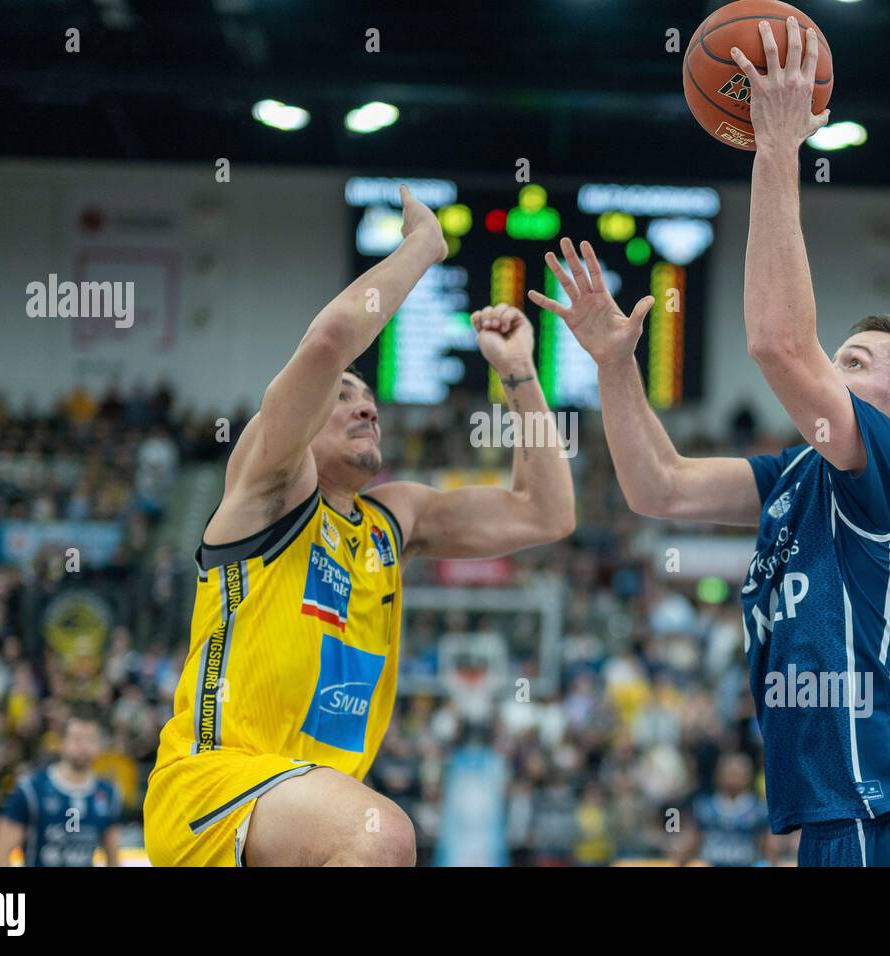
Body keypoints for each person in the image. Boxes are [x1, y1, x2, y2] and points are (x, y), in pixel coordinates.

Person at [528, 17, 890, 866]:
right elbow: (658, 489)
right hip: (836, 824)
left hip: (889, 819)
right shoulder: (798, 473)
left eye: (854, 360)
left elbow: (776, 341)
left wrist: (777, 146)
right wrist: (616, 366)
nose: (830, 371)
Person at [144, 186, 575, 867]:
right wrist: (422, 248)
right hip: (216, 786)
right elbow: (327, 342)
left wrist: (520, 373)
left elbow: (546, 513)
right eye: (344, 396)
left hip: (306, 810)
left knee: (373, 833)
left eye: (371, 400)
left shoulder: (391, 518)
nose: (365, 408)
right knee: (384, 836)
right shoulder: (270, 487)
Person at [0, 714, 122, 866]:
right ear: (62, 742)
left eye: (90, 739)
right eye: (77, 739)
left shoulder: (108, 794)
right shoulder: (32, 789)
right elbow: (2, 850)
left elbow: (113, 857)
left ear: (99, 745)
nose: (83, 746)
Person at [676, 752, 774, 866]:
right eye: (729, 773)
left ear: (749, 776)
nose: (733, 778)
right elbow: (690, 841)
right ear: (718, 775)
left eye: (738, 773)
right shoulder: (703, 807)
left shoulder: (759, 809)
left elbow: (769, 848)